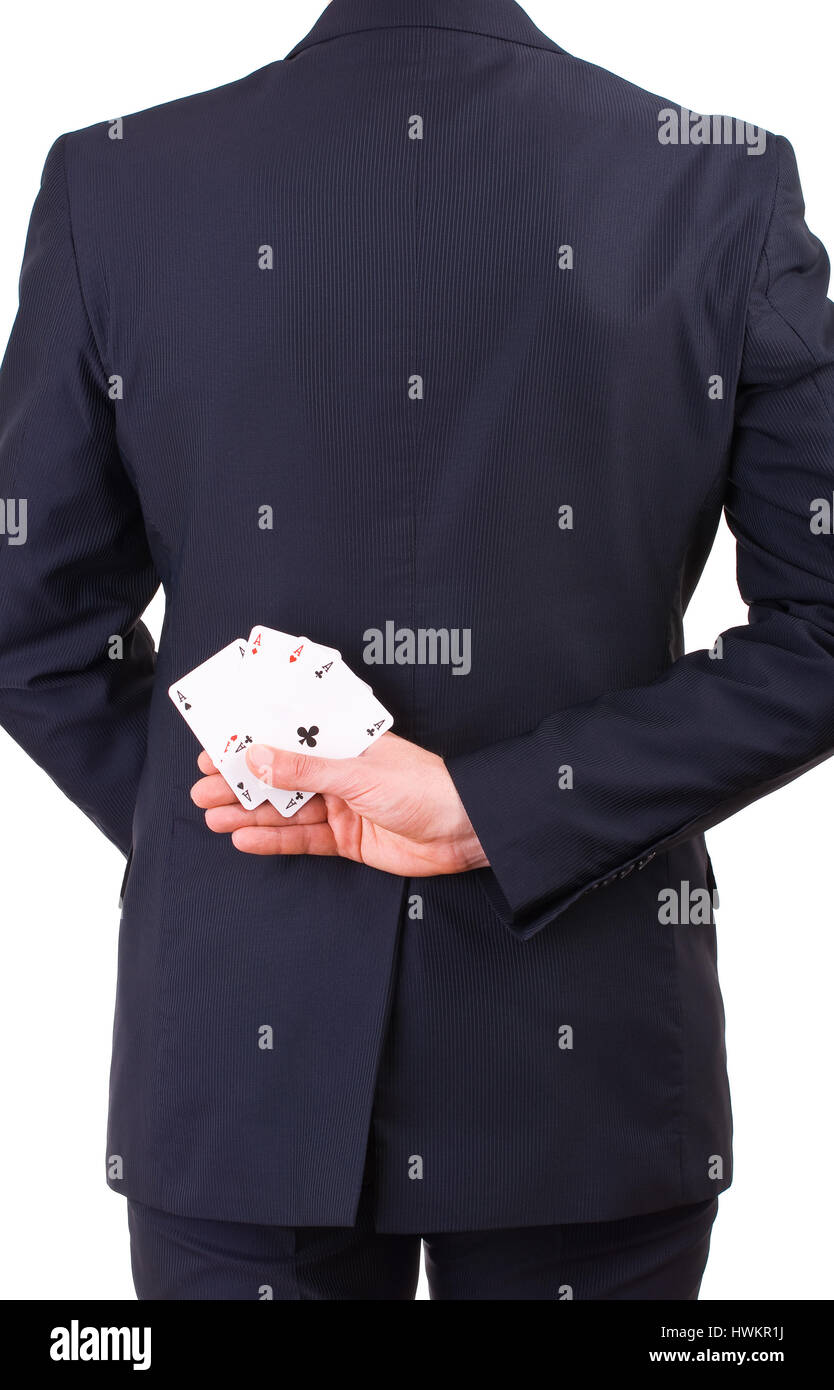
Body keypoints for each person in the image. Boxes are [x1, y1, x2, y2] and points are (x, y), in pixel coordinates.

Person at [1, 0, 833, 1300]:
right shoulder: (715, 178)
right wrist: (497, 813)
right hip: (594, 1076)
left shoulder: (116, 182)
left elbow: (29, 625)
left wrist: (247, 830)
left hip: (234, 1057)